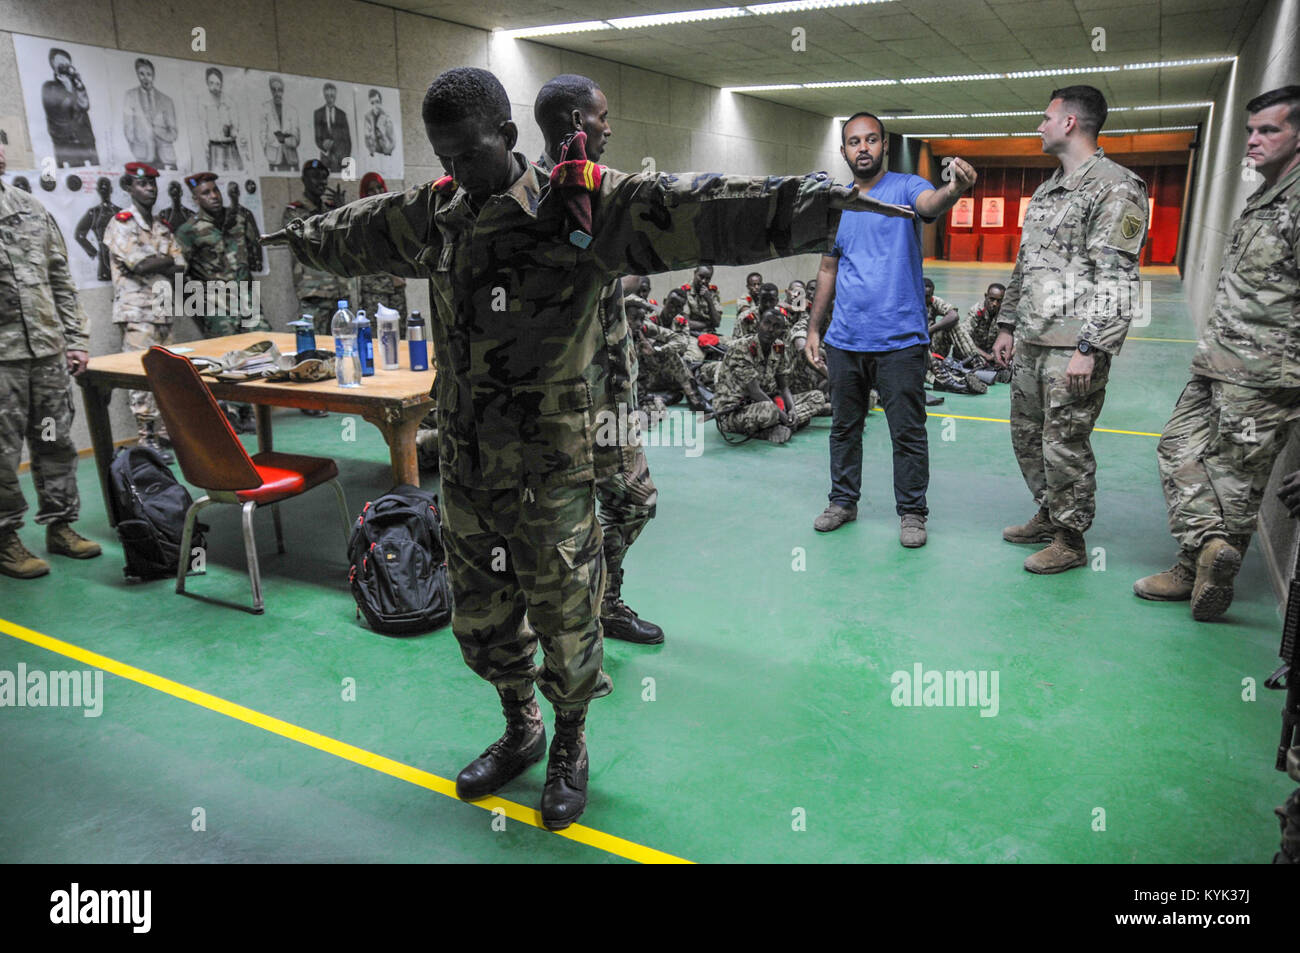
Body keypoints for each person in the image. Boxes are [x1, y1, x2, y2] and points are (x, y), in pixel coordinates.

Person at [263, 66, 911, 831]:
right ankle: (520, 727)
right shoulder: (439, 211)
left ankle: (569, 741)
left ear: (507, 138)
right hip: (470, 465)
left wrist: (827, 206)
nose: (454, 171)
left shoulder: (580, 206)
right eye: (441, 156)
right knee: (484, 620)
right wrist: (299, 234)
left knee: (568, 620)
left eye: (467, 153)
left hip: (551, 466)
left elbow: (701, 209)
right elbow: (361, 230)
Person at [1135, 86, 1300, 620]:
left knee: (1234, 481)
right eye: (1251, 129)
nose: (1253, 140)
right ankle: (1209, 550)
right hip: (1217, 363)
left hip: (1264, 379)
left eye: (1269, 130)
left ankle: (1199, 574)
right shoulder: (1264, 197)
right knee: (1175, 448)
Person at [992, 86, 1148, 573]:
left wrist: (1090, 346)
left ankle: (1070, 538)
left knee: (1065, 442)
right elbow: (1026, 265)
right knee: (1028, 435)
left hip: (1072, 347)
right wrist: (1006, 324)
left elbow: (1118, 278)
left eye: (1045, 118)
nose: (1039, 126)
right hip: (1032, 341)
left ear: (1070, 124)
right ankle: (1048, 511)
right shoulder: (1047, 189)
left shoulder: (1117, 188)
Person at [805, 111, 976, 548]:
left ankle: (912, 512)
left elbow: (930, 205)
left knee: (908, 431)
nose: (863, 148)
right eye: (854, 142)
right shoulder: (835, 202)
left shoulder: (905, 187)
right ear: (843, 150)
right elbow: (828, 268)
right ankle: (842, 501)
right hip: (845, 340)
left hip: (900, 341)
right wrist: (813, 330)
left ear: (883, 145)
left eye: (872, 140)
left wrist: (954, 189)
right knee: (845, 427)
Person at [0, 140, 101, 578]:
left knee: (55, 439)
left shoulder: (29, 207)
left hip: (45, 351)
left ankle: (60, 525)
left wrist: (75, 338)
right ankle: (5, 538)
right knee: (2, 453)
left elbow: (60, 275)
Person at [174, 171, 272, 433]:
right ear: (195, 198)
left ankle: (251, 408)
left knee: (258, 351)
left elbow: (250, 257)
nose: (214, 196)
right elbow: (181, 275)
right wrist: (195, 310)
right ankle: (229, 413)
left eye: (215, 190)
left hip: (246, 300)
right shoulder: (188, 231)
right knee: (224, 362)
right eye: (205, 193)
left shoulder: (237, 219)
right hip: (216, 307)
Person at [103, 162, 187, 461]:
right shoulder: (121, 223)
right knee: (142, 377)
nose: (149, 188)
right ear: (128, 187)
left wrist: (159, 260)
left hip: (163, 310)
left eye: (152, 183)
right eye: (142, 184)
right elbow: (139, 265)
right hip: (136, 312)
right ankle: (146, 438)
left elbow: (181, 266)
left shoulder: (162, 227)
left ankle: (165, 434)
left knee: (168, 374)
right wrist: (164, 260)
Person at [716, 308, 828, 444]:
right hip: (734, 411)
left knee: (817, 397)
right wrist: (782, 415)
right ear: (759, 325)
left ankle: (783, 423)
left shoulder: (779, 347)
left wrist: (791, 409)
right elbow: (755, 392)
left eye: (776, 327)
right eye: (767, 323)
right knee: (769, 410)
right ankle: (780, 425)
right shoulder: (741, 348)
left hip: (766, 403)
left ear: (782, 331)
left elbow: (783, 386)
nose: (770, 329)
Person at [281, 159, 348, 335]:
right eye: (315, 177)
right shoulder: (295, 212)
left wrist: (343, 212)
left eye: (324, 177)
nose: (322, 182)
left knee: (343, 345)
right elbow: (307, 240)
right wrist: (332, 217)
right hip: (314, 291)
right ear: (304, 179)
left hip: (339, 291)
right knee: (314, 346)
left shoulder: (333, 210)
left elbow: (347, 240)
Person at [356, 172, 407, 318]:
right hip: (374, 289)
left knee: (400, 332)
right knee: (375, 333)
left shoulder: (394, 213)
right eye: (371, 189)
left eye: (379, 187)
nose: (377, 192)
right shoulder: (360, 218)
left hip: (396, 285)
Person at [42, 48, 98, 168]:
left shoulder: (76, 84)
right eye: (60, 60)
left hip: (85, 140)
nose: (64, 64)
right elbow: (58, 112)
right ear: (53, 63)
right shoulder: (49, 87)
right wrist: (69, 90)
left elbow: (84, 105)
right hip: (65, 142)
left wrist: (79, 87)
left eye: (67, 61)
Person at [123, 58, 178, 169]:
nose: (145, 78)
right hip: (143, 157)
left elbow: (174, 133)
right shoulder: (130, 96)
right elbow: (128, 129)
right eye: (141, 74)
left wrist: (157, 131)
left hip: (166, 157)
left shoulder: (166, 100)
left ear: (153, 75)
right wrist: (137, 147)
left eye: (149, 74)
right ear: (137, 74)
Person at [73, 177, 120, 282]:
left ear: (111, 190)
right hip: (104, 260)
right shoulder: (94, 213)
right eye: (101, 189)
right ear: (98, 191)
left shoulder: (119, 211)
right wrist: (94, 252)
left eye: (106, 188)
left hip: (121, 257)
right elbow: (79, 234)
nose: (104, 191)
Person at [199, 67, 243, 172]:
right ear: (207, 83)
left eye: (217, 84)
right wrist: (205, 149)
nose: (214, 87)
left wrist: (232, 130)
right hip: (214, 147)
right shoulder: (203, 102)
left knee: (235, 175)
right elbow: (202, 127)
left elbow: (236, 125)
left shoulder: (229, 101)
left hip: (230, 147)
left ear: (221, 84)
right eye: (211, 83)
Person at [953, 283, 1006, 364]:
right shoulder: (976, 311)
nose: (995, 304)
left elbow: (1013, 340)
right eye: (992, 299)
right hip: (975, 352)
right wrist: (985, 355)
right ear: (986, 296)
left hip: (994, 353)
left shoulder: (1005, 315)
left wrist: (998, 354)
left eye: (999, 301)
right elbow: (963, 338)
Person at [261, 76, 300, 171]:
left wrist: (285, 140)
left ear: (283, 90)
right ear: (270, 90)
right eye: (274, 90)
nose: (277, 93)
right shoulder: (264, 108)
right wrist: (268, 147)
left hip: (291, 157)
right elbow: (262, 133)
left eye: (280, 90)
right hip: (273, 156)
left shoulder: (292, 110)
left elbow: (297, 136)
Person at [314, 83, 351, 173]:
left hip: (340, 157)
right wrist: (323, 146)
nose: (330, 99)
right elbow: (317, 137)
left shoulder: (342, 114)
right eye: (327, 96)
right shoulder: (318, 113)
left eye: (332, 96)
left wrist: (346, 158)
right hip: (325, 158)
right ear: (324, 95)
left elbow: (347, 139)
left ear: (335, 96)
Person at [923, 277, 959, 358]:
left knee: (953, 324)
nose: (925, 299)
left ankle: (974, 358)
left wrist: (930, 330)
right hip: (915, 345)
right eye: (923, 295)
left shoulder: (933, 301)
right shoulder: (910, 304)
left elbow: (954, 315)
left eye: (928, 296)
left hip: (932, 344)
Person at [682, 264, 722, 332]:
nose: (704, 281)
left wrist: (709, 300)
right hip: (689, 332)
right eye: (701, 276)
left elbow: (717, 323)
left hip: (708, 333)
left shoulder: (712, 292)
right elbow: (686, 323)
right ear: (695, 273)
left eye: (708, 278)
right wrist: (708, 324)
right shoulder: (684, 291)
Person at [363, 89, 396, 157]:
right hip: (373, 150)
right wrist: (370, 148)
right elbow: (366, 135)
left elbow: (391, 136)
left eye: (377, 102)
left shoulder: (386, 116)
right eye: (372, 103)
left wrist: (388, 149)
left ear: (381, 102)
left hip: (386, 149)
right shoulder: (368, 117)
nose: (375, 105)